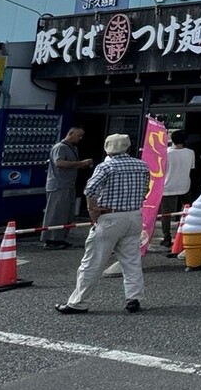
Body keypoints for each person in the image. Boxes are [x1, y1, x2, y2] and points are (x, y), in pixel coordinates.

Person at [55, 133, 152, 315]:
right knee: (131, 260)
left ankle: (79, 302)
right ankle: (134, 298)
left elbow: (90, 189)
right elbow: (146, 189)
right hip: (134, 216)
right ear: (128, 148)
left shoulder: (106, 166)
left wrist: (93, 210)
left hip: (110, 217)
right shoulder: (142, 165)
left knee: (93, 261)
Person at [41, 126, 93, 249]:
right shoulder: (60, 147)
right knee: (55, 213)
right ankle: (50, 240)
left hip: (68, 184)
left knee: (66, 213)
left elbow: (71, 164)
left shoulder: (73, 148)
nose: (80, 138)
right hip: (58, 185)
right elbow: (59, 162)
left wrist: (82, 166)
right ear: (70, 133)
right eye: (78, 136)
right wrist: (81, 163)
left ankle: (59, 238)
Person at [159, 129, 197, 251]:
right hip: (185, 185)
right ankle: (188, 235)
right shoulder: (190, 153)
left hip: (168, 186)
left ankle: (167, 238)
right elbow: (192, 167)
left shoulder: (166, 153)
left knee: (166, 214)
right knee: (187, 212)